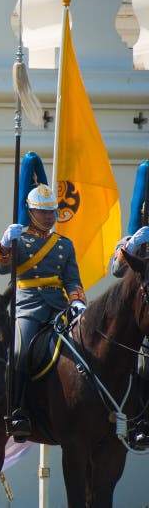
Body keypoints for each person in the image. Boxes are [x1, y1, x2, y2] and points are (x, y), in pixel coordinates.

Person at [0, 152, 86, 441]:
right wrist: (5, 245)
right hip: (29, 307)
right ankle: (18, 410)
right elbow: (1, 267)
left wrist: (77, 300)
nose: (49, 216)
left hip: (59, 307)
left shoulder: (64, 244)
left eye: (52, 211)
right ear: (31, 211)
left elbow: (72, 278)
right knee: (19, 353)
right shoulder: (18, 238)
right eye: (43, 211)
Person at [108, 159, 149, 450]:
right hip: (136, 318)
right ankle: (139, 423)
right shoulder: (134, 238)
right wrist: (133, 245)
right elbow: (116, 270)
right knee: (139, 364)